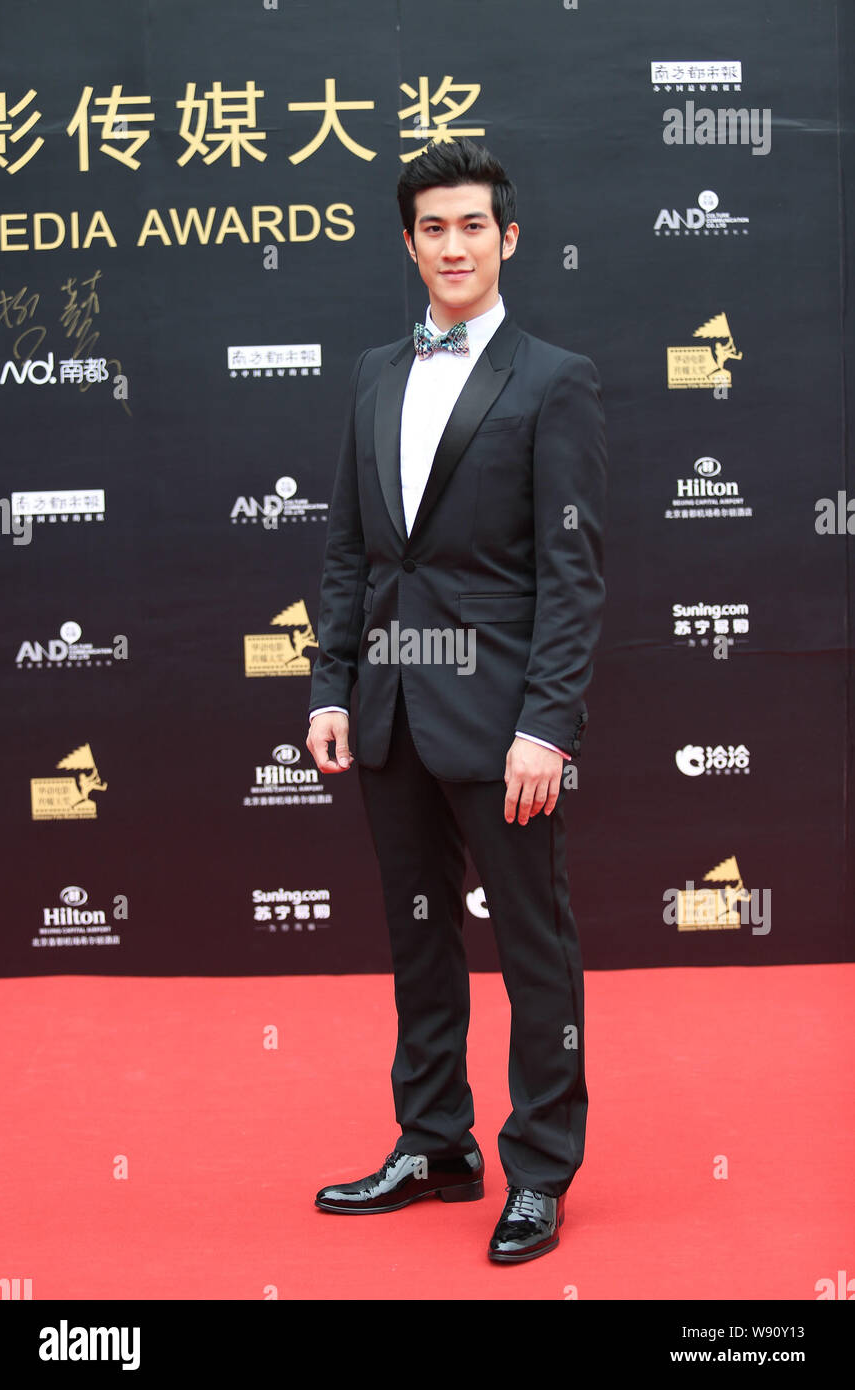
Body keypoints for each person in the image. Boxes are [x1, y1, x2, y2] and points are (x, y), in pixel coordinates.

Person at [306, 138, 607, 1263]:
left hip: (498, 723)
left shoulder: (552, 379)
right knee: (419, 941)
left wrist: (546, 725)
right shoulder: (373, 373)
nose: (452, 245)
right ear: (408, 242)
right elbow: (349, 550)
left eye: (471, 224)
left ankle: (539, 1167)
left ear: (506, 237)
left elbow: (571, 574)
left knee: (534, 950)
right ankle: (433, 1141)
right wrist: (329, 687)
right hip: (385, 717)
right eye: (431, 227)